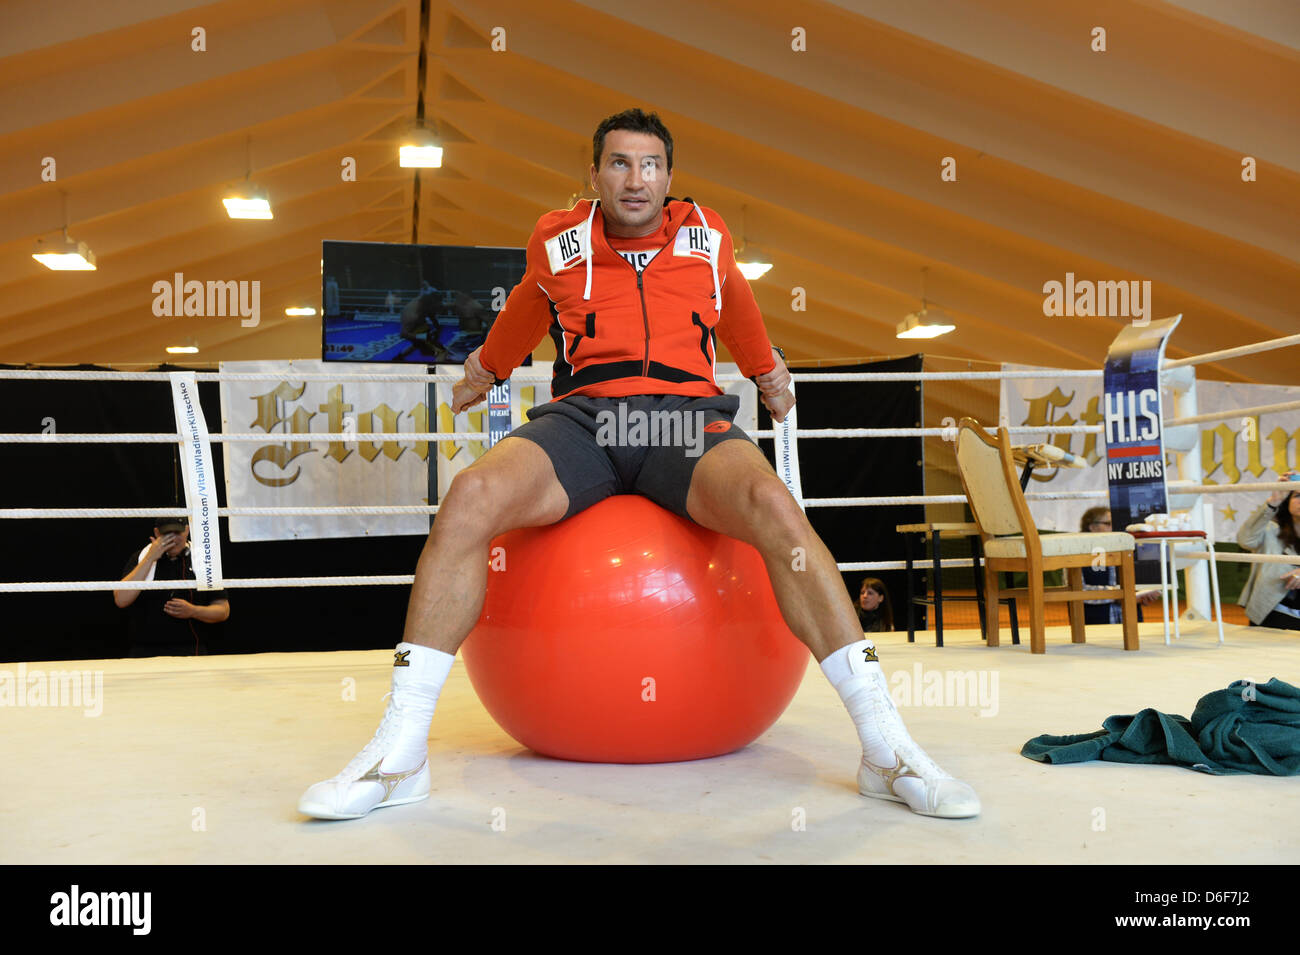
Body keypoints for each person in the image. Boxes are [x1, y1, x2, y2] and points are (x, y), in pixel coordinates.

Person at [298, 109, 979, 821]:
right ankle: (399, 754)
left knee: (776, 508)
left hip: (682, 419)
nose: (636, 178)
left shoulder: (707, 235)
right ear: (592, 176)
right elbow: (526, 311)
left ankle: (887, 747)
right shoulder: (556, 239)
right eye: (619, 163)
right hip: (586, 419)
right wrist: (483, 371)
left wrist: (768, 375)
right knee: (469, 495)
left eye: (650, 164)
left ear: (669, 177)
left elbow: (738, 306)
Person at [113, 517, 230, 656]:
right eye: (166, 534)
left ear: (187, 530)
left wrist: (193, 611)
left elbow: (223, 610)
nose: (173, 538)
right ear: (156, 533)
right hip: (144, 651)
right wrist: (150, 559)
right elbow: (121, 600)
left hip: (191, 649)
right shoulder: (141, 557)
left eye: (177, 533)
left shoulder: (204, 559)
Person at [1237, 472, 1300, 630]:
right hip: (1272, 611)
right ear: (1287, 502)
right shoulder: (1271, 529)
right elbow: (1245, 541)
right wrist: (1274, 501)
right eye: (1297, 495)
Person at [1079, 507, 1160, 624]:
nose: (1113, 527)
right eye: (1108, 523)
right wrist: (1118, 596)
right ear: (1092, 527)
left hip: (1131, 622)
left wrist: (1143, 596)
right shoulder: (1078, 553)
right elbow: (1079, 591)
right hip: (1096, 625)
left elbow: (1135, 586)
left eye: (1114, 523)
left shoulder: (1126, 549)